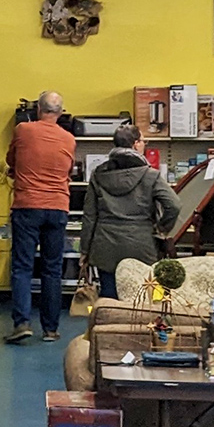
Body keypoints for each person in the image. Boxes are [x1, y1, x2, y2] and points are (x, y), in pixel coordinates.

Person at [5, 91, 75, 343]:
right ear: (60, 112)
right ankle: (51, 329)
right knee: (52, 269)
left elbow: (11, 160)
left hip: (27, 206)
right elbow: (68, 170)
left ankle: (22, 323)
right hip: (58, 208)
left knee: (23, 267)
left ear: (37, 110)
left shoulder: (23, 130)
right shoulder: (69, 139)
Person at [80, 124, 181, 299]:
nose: (144, 144)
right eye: (143, 141)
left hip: (105, 246)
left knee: (108, 299)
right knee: (141, 298)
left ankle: (108, 326)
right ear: (136, 144)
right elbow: (174, 205)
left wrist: (85, 250)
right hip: (141, 245)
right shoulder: (151, 175)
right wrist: (162, 227)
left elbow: (90, 215)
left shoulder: (98, 173)